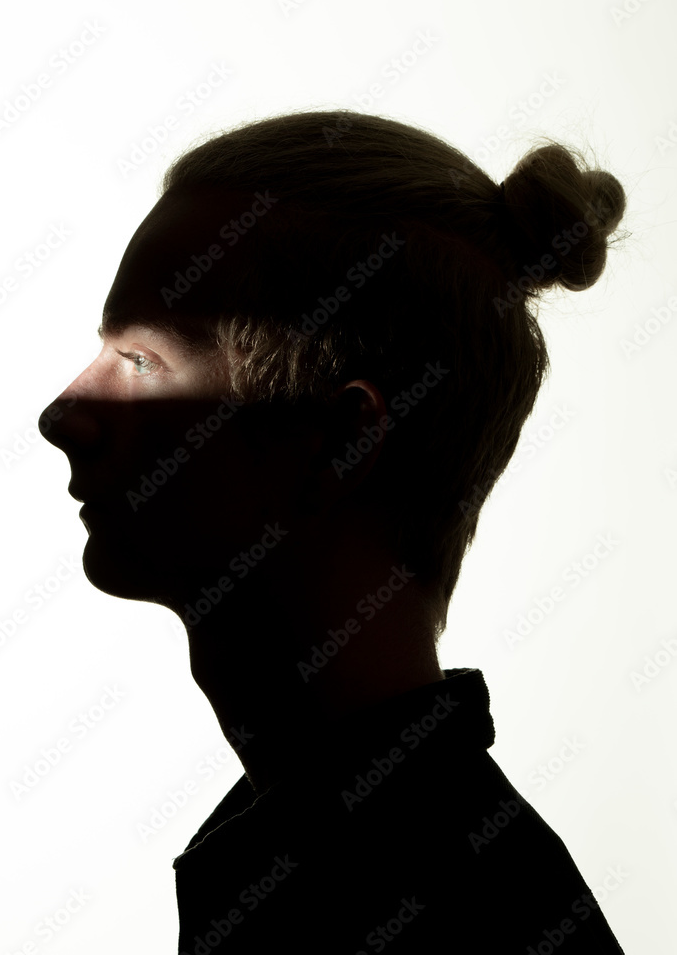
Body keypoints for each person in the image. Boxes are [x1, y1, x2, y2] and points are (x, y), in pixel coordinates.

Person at [39, 109, 628, 953]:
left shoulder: (439, 910)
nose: (61, 416)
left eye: (141, 363)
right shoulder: (344, 847)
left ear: (339, 441)